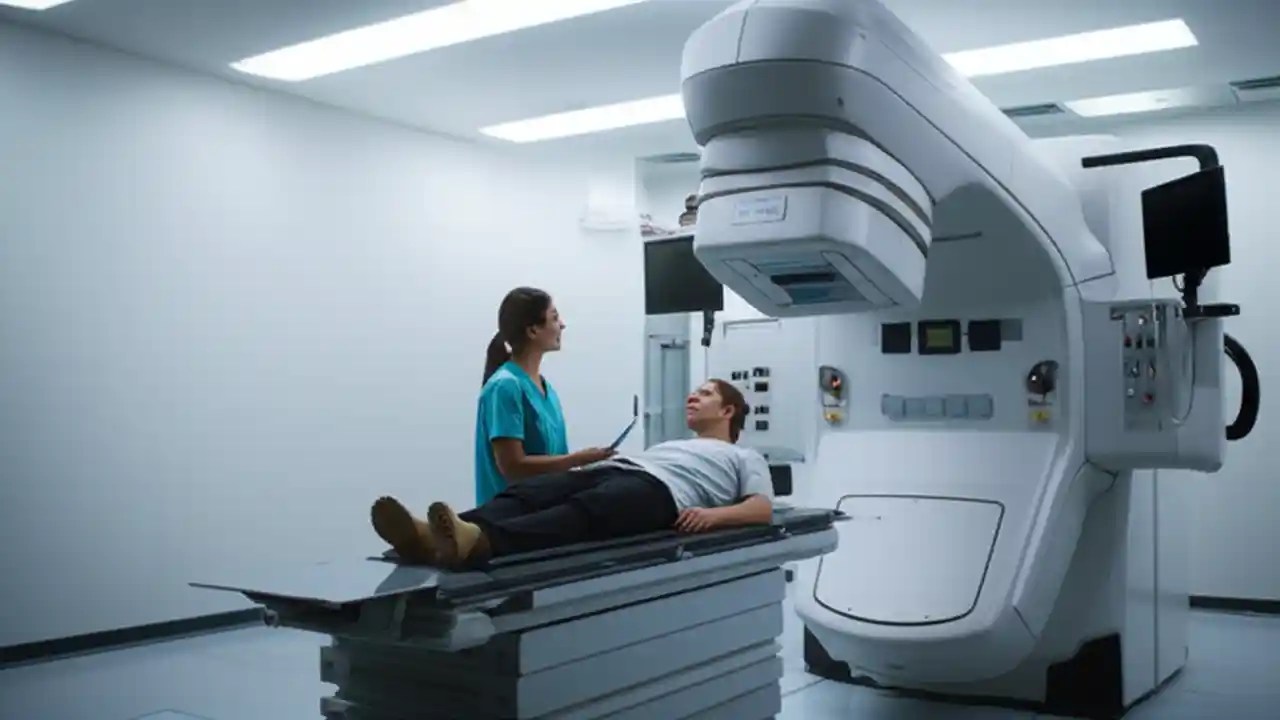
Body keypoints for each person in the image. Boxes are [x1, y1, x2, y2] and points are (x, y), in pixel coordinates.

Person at [370, 379, 774, 570]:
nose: (692, 396)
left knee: (584, 511)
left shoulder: (743, 456)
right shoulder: (669, 444)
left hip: (662, 492)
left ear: (728, 412)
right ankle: (439, 533)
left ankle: (482, 542)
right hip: (619, 468)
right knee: (530, 494)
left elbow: (760, 509)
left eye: (704, 394)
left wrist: (712, 516)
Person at [475, 287, 614, 505]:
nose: (562, 325)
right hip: (509, 518)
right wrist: (576, 460)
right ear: (533, 330)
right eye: (554, 318)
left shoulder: (545, 389)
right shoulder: (505, 387)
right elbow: (513, 466)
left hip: (545, 509)